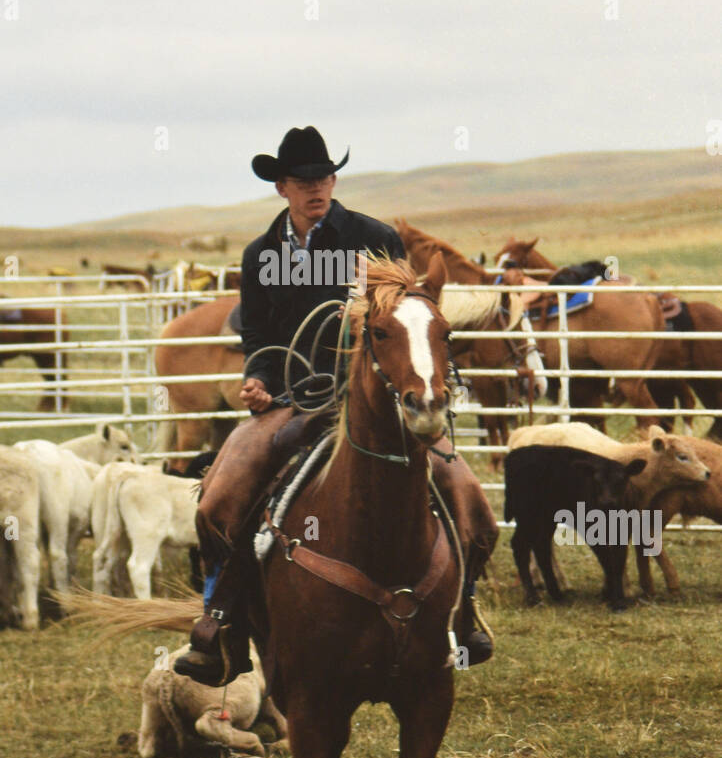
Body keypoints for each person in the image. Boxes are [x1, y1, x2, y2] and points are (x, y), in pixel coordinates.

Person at [175, 126, 496, 686]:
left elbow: (401, 315)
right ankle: (219, 623)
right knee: (220, 498)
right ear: (282, 188)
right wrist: (256, 379)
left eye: (322, 177)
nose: (314, 188)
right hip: (294, 398)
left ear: (333, 180)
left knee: (467, 494)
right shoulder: (261, 255)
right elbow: (256, 334)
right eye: (302, 181)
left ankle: (463, 611)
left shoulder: (371, 239)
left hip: (377, 396)